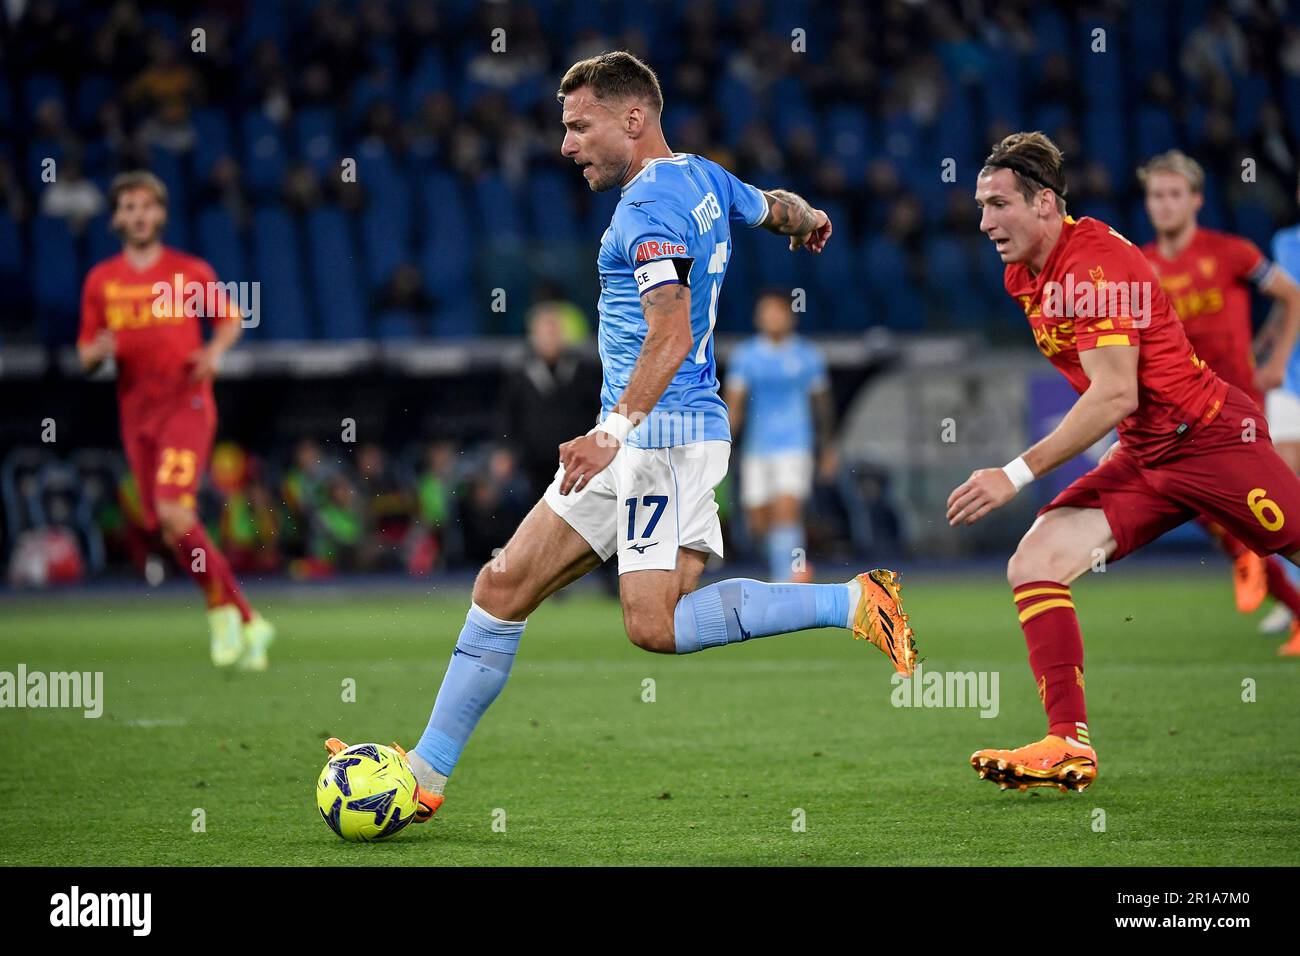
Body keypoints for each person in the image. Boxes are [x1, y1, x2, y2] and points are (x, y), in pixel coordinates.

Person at [327, 51, 917, 822]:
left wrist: (612, 430)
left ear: (632, 119)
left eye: (579, 126)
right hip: (651, 435)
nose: (566, 145)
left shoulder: (645, 214)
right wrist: (807, 220)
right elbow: (769, 204)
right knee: (502, 587)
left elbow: (669, 332)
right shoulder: (702, 176)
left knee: (654, 625)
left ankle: (854, 601)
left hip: (659, 439)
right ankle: (426, 776)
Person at [947, 132, 1300, 792]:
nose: (985, 221)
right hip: (1146, 455)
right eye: (980, 206)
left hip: (1212, 438)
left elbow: (1114, 392)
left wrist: (1014, 473)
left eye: (998, 204)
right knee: (1035, 561)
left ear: (1045, 203)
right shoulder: (1021, 274)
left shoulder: (1096, 266)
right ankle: (1066, 744)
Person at [78, 171, 274, 670]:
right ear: (116, 218)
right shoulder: (102, 281)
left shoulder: (189, 272)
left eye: (147, 206)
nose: (139, 215)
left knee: (172, 512)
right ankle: (250, 619)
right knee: (165, 526)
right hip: (135, 415)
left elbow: (231, 319)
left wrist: (213, 352)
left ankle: (219, 613)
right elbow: (84, 355)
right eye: (129, 207)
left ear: (161, 214)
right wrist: (97, 352)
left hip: (186, 405)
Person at [1138, 150, 1300, 644]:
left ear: (1196, 201)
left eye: (1173, 195)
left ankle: (1255, 562)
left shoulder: (1232, 252)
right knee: (1215, 512)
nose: (1164, 205)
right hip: (1178, 412)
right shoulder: (1138, 266)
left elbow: (1292, 296)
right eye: (1155, 196)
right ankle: (1259, 570)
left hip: (1238, 408)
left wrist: (1273, 360)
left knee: (1268, 514)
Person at [724, 290, 837, 582]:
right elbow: (735, 403)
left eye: (776, 311)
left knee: (786, 509)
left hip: (794, 444)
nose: (771, 317)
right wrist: (723, 443)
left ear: (790, 315)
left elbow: (821, 406)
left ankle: (787, 578)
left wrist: (827, 448)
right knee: (758, 522)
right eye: (765, 311)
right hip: (757, 448)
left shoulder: (806, 355)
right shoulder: (746, 356)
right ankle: (789, 566)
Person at [1260, 172, 1300, 635]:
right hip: (1289, 380)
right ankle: (1292, 598)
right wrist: (1267, 342)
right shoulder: (1285, 241)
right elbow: (1283, 302)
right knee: (1284, 491)